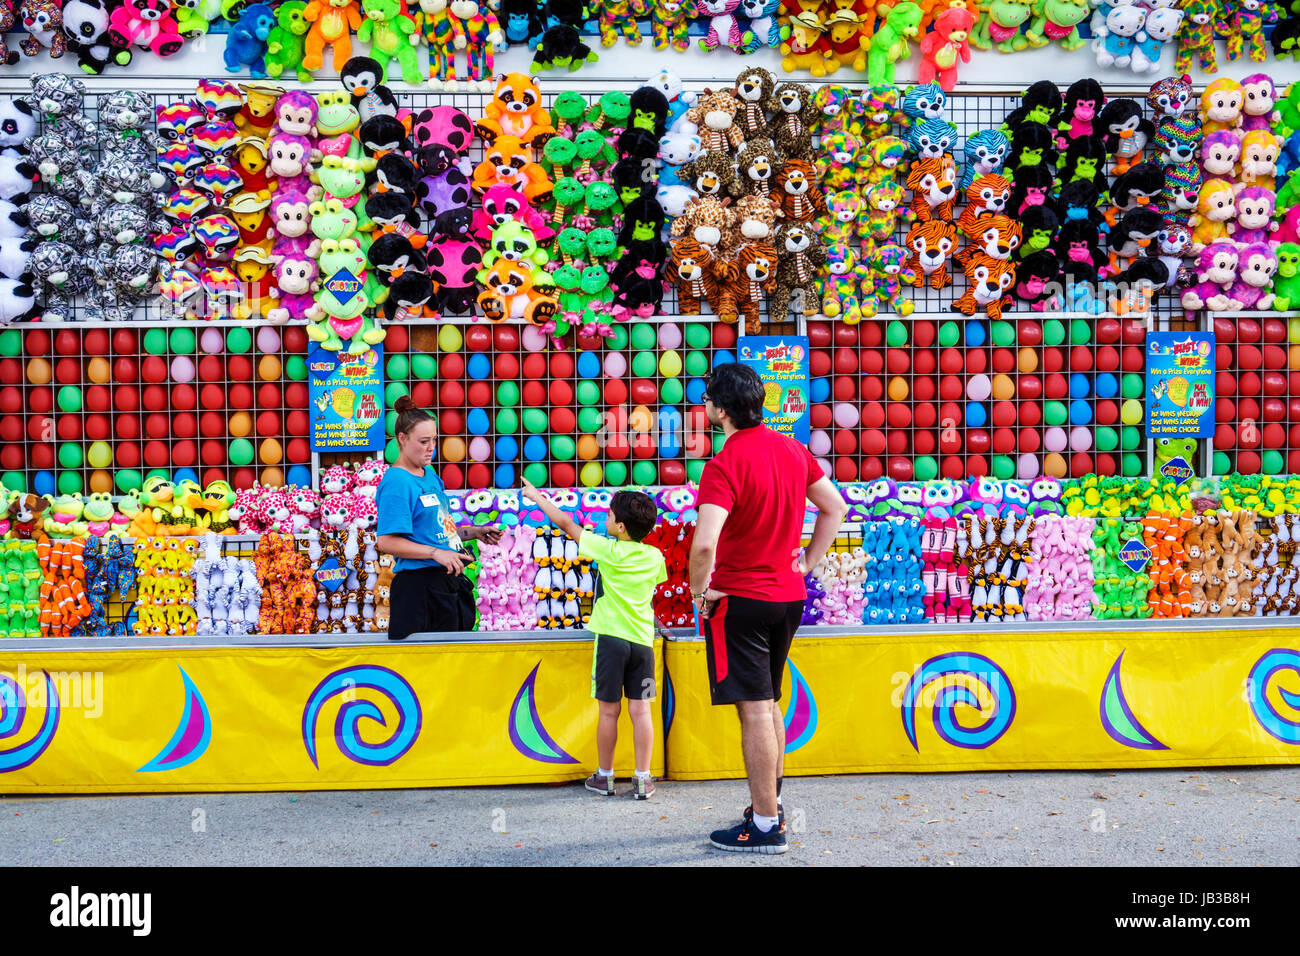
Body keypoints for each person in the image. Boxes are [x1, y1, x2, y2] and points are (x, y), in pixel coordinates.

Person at [689, 362, 848, 854]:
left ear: (718, 408)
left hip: (743, 598)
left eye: (708, 401)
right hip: (787, 597)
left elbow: (703, 545)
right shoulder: (793, 449)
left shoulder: (724, 465)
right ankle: (769, 807)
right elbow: (835, 507)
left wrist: (700, 593)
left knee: (755, 710)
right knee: (770, 702)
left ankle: (763, 827)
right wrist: (808, 561)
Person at [521, 478, 666, 800]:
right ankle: (643, 777)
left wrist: (535, 496)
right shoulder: (655, 558)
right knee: (642, 712)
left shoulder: (607, 549)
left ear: (622, 526)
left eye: (610, 516)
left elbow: (563, 522)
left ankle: (605, 775)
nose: (606, 519)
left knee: (609, 712)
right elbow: (652, 592)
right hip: (643, 643)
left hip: (612, 641)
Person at [375, 397, 500, 640]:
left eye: (433, 440)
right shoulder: (397, 482)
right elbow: (386, 542)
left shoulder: (430, 475)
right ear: (402, 439)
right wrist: (435, 553)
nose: (431, 447)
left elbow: (437, 528)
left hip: (446, 586)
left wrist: (472, 532)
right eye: (423, 442)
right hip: (419, 591)